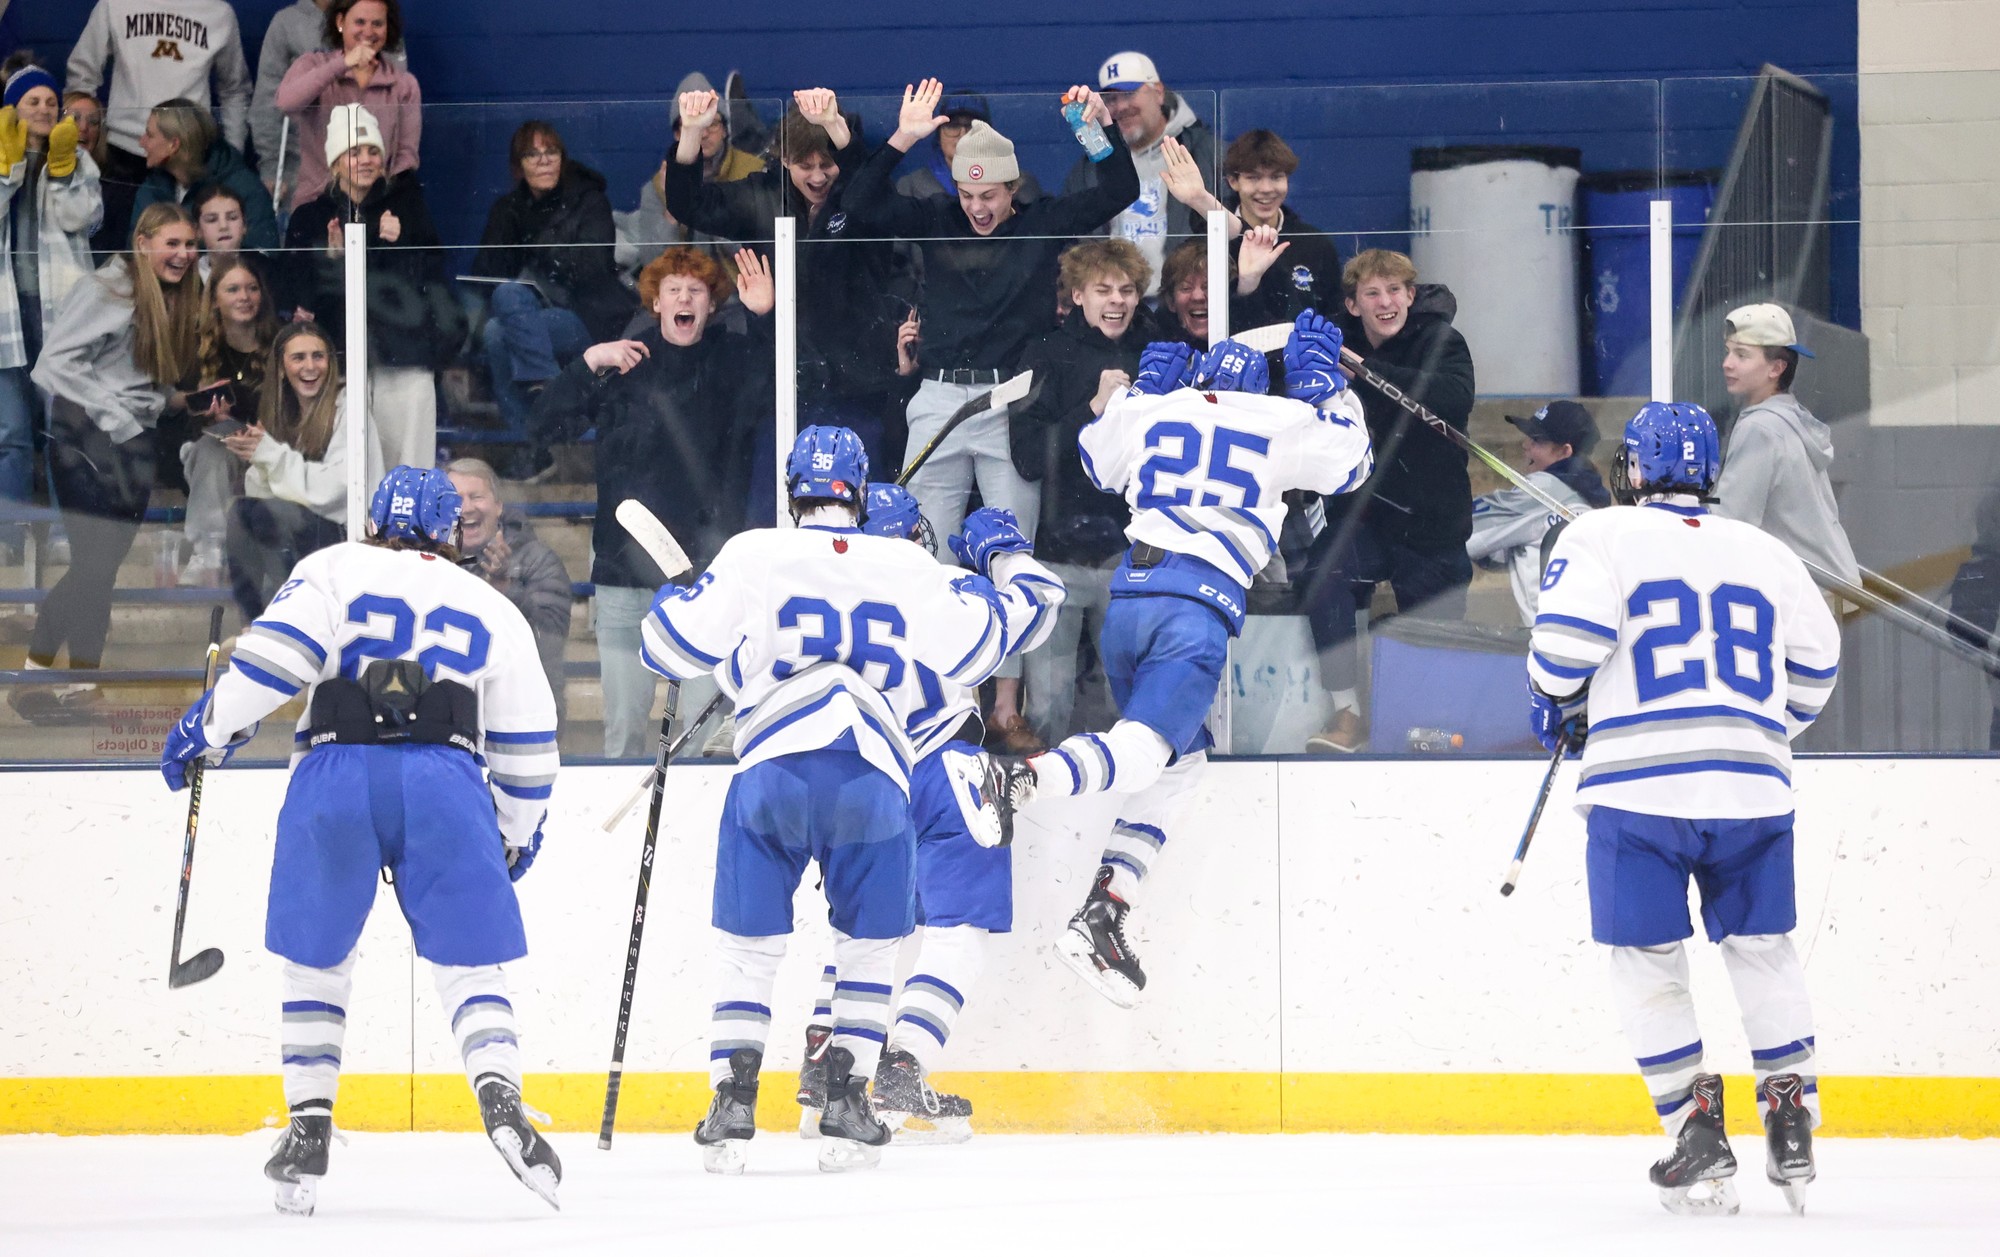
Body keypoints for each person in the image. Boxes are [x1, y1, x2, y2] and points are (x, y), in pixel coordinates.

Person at [637, 425, 1060, 1174]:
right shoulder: (904, 563)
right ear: (859, 493)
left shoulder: (753, 552)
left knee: (749, 949)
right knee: (867, 947)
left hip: (770, 772)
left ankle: (733, 1103)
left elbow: (668, 648)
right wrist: (1010, 563)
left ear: (792, 488)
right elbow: (997, 637)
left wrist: (676, 604)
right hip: (872, 777)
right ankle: (846, 1103)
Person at [160, 465, 563, 1216]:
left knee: (318, 962)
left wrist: (206, 729)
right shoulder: (487, 602)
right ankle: (502, 1101)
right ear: (449, 532)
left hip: (336, 772)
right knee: (471, 966)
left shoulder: (333, 566)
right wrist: (514, 827)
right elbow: (531, 738)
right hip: (447, 779)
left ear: (374, 518)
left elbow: (271, 663)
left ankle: (308, 1126)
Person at [991, 317, 1374, 1007]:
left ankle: (1106, 910)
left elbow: (1093, 458)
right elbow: (1350, 464)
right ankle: (1016, 780)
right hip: (1191, 613)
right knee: (1142, 754)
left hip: (1129, 602)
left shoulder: (1157, 410)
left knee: (1178, 763)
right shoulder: (1277, 417)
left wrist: (1139, 392)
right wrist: (1327, 390)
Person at [1528, 401, 1837, 1216]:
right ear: (1708, 473)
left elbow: (1561, 655)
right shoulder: (1766, 550)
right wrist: (1762, 725)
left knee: (1647, 957)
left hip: (1639, 789)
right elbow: (1818, 662)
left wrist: (1560, 701)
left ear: (1633, 470)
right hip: (1752, 785)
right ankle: (1790, 1111)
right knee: (1764, 946)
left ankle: (1693, 1125)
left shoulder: (1598, 535)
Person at [839, 78, 1138, 746]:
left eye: (989, 196)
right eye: (967, 195)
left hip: (1011, 400)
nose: (976, 208)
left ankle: (1005, 705)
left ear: (1013, 191)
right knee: (926, 556)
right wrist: (901, 139)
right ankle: (939, 701)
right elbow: (855, 208)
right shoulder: (935, 219)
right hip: (940, 395)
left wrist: (1093, 130)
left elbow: (1119, 190)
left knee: (1011, 556)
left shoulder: (1039, 224)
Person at [794, 482, 1066, 1140]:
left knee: (865, 932)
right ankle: (904, 1061)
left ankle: (826, 1059)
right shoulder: (944, 585)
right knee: (959, 928)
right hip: (945, 768)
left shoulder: (824, 603)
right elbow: (1039, 608)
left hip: (860, 778)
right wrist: (1004, 554)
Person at [532, 245, 772, 758]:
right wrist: (590, 361)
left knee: (700, 738)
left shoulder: (734, 362)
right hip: (623, 570)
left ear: (711, 305)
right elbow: (543, 425)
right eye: (674, 290)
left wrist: (765, 319)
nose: (685, 299)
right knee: (622, 730)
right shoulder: (625, 361)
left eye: (697, 291)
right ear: (656, 302)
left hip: (704, 573)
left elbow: (779, 386)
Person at [666, 86, 916, 474]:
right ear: (784, 159)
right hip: (784, 381)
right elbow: (687, 204)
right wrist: (694, 133)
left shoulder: (862, 194)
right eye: (805, 164)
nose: (818, 176)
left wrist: (834, 124)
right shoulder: (760, 197)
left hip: (859, 380)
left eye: (827, 164)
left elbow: (870, 184)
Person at [16, 202, 201, 724]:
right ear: (143, 242)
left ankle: (80, 686)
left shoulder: (165, 295)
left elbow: (127, 374)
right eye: (173, 243)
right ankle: (33, 677)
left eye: (190, 244)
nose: (185, 254)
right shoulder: (106, 287)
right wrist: (120, 420)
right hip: (87, 441)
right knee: (93, 567)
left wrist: (172, 401)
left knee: (99, 571)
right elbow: (51, 366)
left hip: (131, 441)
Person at [1299, 248, 1476, 752]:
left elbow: (1449, 399)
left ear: (1411, 296)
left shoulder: (1442, 339)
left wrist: (1363, 370)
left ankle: (1423, 724)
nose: (1386, 302)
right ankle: (1347, 714)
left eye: (1395, 290)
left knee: (1435, 634)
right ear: (1353, 305)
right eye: (1372, 293)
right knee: (1322, 574)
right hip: (1365, 513)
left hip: (1431, 519)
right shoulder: (1336, 343)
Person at [1010, 239, 1155, 745]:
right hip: (1057, 558)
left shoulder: (1154, 352)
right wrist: (1092, 408)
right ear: (1077, 295)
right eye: (1103, 290)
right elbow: (1028, 455)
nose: (1116, 301)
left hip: (1130, 556)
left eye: (1127, 290)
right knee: (1049, 704)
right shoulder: (1045, 353)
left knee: (1127, 702)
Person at [283, 102, 456, 471]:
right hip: (341, 361)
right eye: (353, 152)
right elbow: (302, 301)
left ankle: (407, 531)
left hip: (403, 358)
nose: (365, 160)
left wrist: (394, 244)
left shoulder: (408, 209)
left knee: (409, 466)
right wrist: (332, 261)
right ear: (334, 162)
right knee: (353, 468)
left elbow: (427, 283)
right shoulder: (310, 217)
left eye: (372, 151)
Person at [470, 119, 636, 477]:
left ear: (563, 159)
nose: (543, 161)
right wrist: (511, 229)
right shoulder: (509, 209)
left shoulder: (589, 201)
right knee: (496, 332)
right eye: (532, 154)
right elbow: (485, 271)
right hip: (528, 318)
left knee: (508, 302)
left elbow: (593, 268)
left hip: (580, 315)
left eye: (551, 152)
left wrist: (539, 252)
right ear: (519, 165)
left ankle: (541, 406)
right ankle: (540, 426)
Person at [4, 64, 103, 538]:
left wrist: (63, 172)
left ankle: (70, 534)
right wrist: (8, 172)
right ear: (10, 110)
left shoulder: (79, 160)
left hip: (62, 314)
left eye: (50, 102)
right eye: (32, 102)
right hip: (7, 316)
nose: (44, 109)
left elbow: (82, 219)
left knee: (65, 432)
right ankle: (10, 537)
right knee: (10, 435)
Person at [222, 320, 380, 620]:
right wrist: (259, 458)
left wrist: (270, 456)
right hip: (301, 535)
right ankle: (253, 622)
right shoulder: (282, 416)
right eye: (298, 358)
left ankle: (291, 618)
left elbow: (336, 489)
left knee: (253, 514)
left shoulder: (351, 409)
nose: (310, 366)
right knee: (241, 513)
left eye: (318, 356)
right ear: (282, 368)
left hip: (344, 538)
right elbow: (262, 493)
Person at [1711, 303, 1859, 586]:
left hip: (1807, 592)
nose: (1727, 363)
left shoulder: (1761, 427)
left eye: (1742, 354)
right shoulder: (1787, 417)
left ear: (1777, 368)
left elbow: (1730, 520)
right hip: (1829, 586)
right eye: (1728, 351)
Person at [1062, 52, 1216, 293]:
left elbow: (1227, 227)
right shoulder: (1089, 168)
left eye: (1129, 93)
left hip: (1182, 305)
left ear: (1158, 92)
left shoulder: (1204, 152)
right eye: (1111, 98)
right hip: (1116, 307)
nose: (1120, 106)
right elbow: (1074, 244)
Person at [1159, 128, 1341, 329]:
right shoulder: (1206, 244)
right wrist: (1199, 199)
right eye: (1253, 178)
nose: (1265, 189)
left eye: (1276, 177)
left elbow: (1332, 316)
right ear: (1233, 181)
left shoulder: (1315, 244)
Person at [64, 1, 252, 190]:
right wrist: (83, 141)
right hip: (124, 152)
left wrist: (232, 158)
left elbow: (235, 90)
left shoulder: (218, 13)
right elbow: (82, 75)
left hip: (189, 154)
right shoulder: (115, 5)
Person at [175, 253, 277, 586]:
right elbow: (182, 414)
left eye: (252, 288)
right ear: (215, 298)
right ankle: (208, 551)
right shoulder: (196, 346)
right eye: (233, 289)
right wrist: (214, 417)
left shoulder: (280, 342)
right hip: (219, 446)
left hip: (273, 443)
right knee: (212, 448)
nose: (244, 297)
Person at [446, 457, 572, 725]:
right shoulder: (429, 565)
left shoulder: (538, 559)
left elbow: (550, 640)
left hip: (522, 714)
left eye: (476, 496)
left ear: (498, 506)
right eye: (455, 498)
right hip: (449, 716)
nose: (466, 508)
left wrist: (506, 589)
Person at [1467, 400, 1611, 624]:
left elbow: (1461, 533)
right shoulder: (1593, 495)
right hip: (1593, 631)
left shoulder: (1541, 490)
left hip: (1549, 640)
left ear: (1565, 451)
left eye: (1536, 440)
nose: (1525, 445)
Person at [273, 0, 420, 212]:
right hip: (316, 205)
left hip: (378, 209)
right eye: (360, 22)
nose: (368, 32)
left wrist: (385, 203)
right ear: (340, 22)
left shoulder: (404, 85)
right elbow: (285, 103)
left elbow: (406, 158)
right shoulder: (312, 64)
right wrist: (342, 64)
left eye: (377, 24)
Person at [131, 99, 280, 251]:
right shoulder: (152, 188)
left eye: (149, 135)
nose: (141, 142)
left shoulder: (245, 189)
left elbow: (263, 258)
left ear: (174, 145)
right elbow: (134, 252)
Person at [64, 89, 134, 259]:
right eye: (74, 118)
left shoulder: (117, 185)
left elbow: (115, 251)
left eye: (94, 122)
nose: (83, 128)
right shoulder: (38, 176)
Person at [1157, 239, 1212, 348]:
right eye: (1186, 288)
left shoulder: (1244, 340)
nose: (1198, 297)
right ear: (1171, 302)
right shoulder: (1158, 349)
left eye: (1207, 287)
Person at [190, 182, 250, 275]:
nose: (223, 226)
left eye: (232, 217)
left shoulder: (266, 270)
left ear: (244, 225)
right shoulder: (189, 275)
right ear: (197, 230)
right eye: (212, 220)